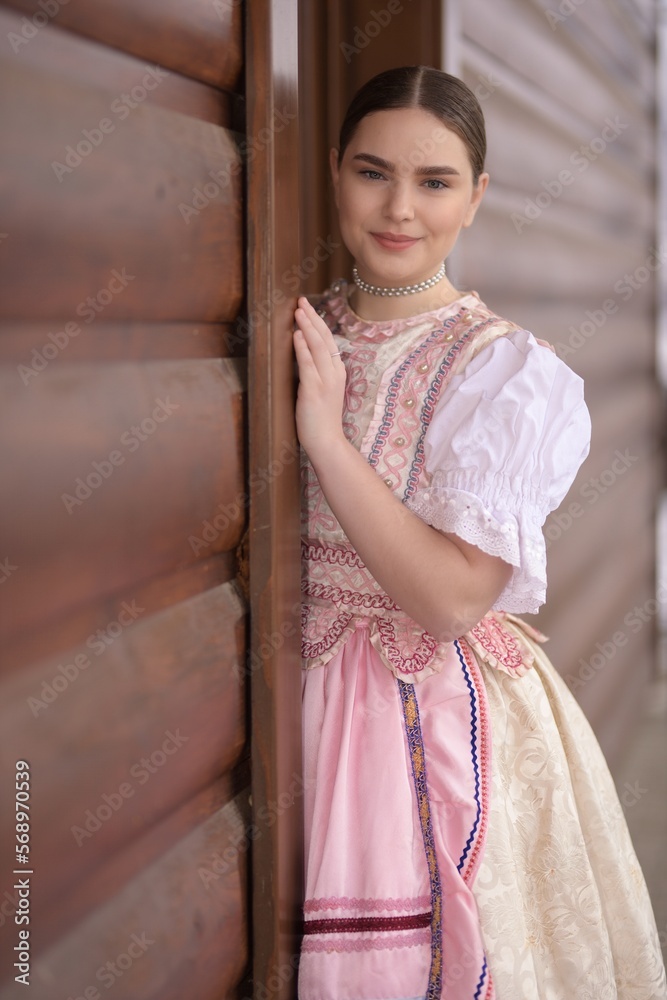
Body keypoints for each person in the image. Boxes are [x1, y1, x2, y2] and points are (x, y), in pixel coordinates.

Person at [292, 65, 666, 1000]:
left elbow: (453, 600)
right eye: (372, 172)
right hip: (301, 693)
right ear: (334, 171)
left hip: (429, 716)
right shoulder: (305, 329)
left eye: (434, 182)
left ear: (475, 196)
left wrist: (326, 442)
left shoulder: (502, 372)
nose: (398, 209)